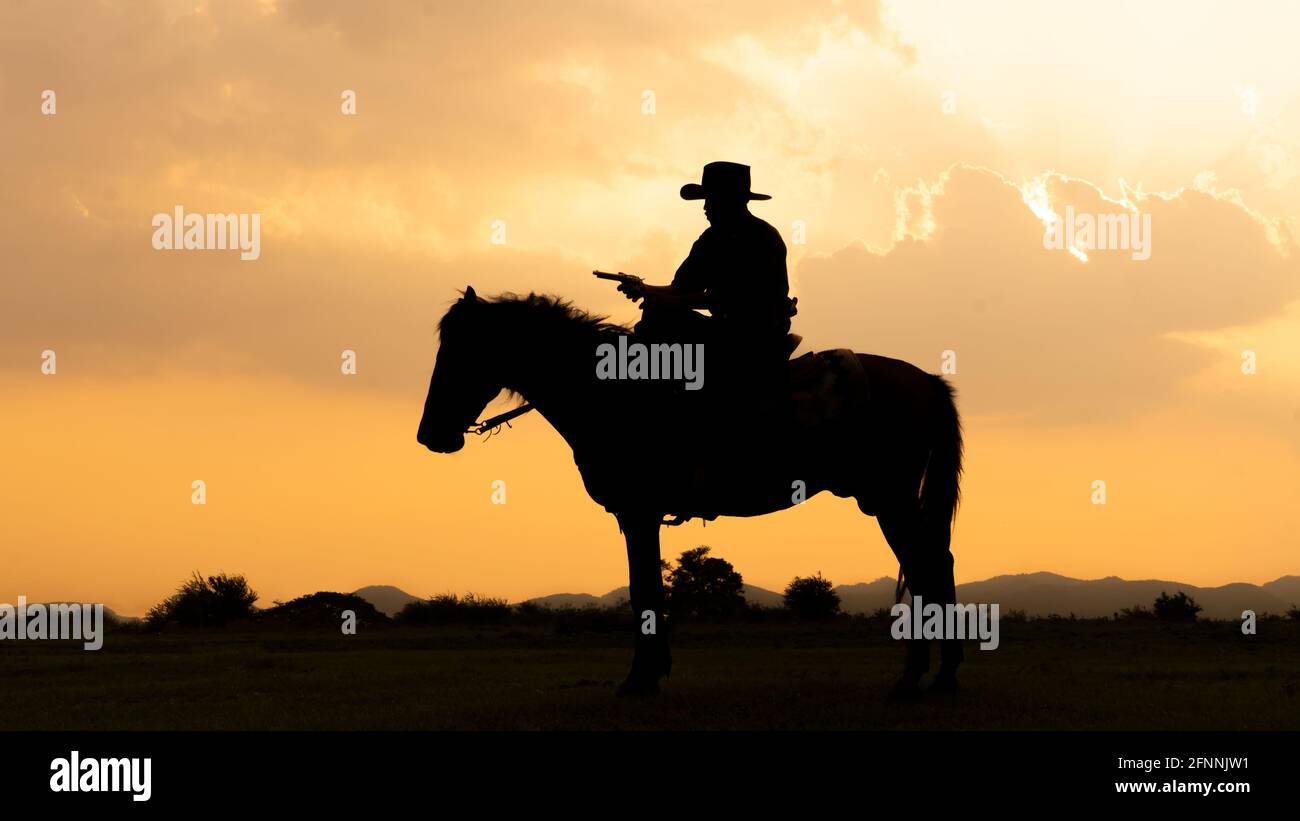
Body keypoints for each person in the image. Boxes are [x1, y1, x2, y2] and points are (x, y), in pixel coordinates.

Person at [619, 161, 795, 406]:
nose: (705, 207)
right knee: (657, 313)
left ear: (729, 201)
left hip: (754, 333)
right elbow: (682, 288)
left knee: (659, 317)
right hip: (724, 328)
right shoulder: (711, 238)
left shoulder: (761, 238)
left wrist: (661, 300)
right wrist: (643, 289)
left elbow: (725, 298)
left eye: (711, 200)